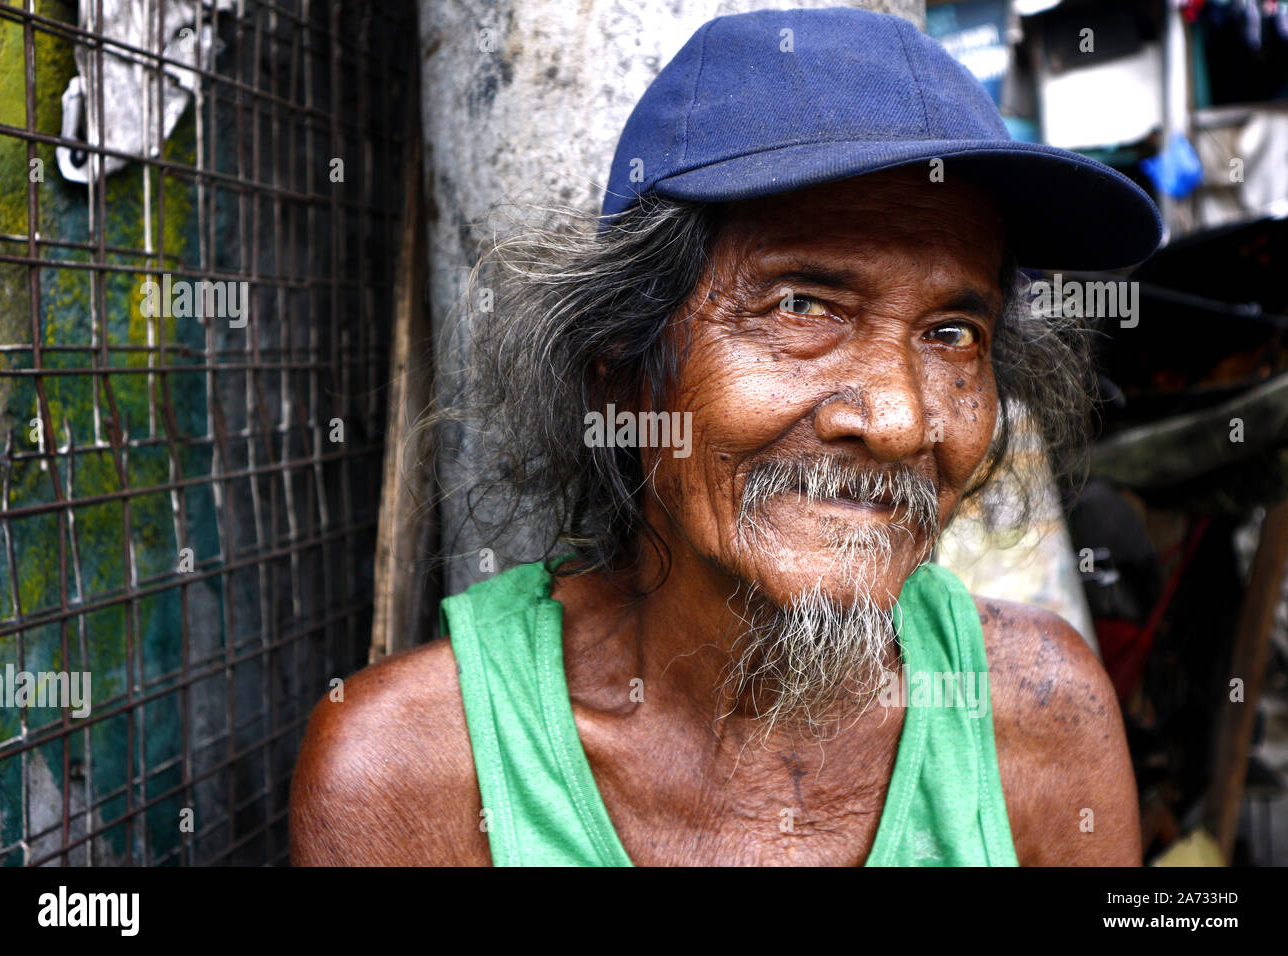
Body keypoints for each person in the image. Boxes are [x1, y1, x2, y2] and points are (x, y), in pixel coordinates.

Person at [290, 6, 1162, 866]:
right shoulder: (409, 774)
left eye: (951, 333)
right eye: (801, 307)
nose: (899, 422)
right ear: (621, 370)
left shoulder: (1042, 719)